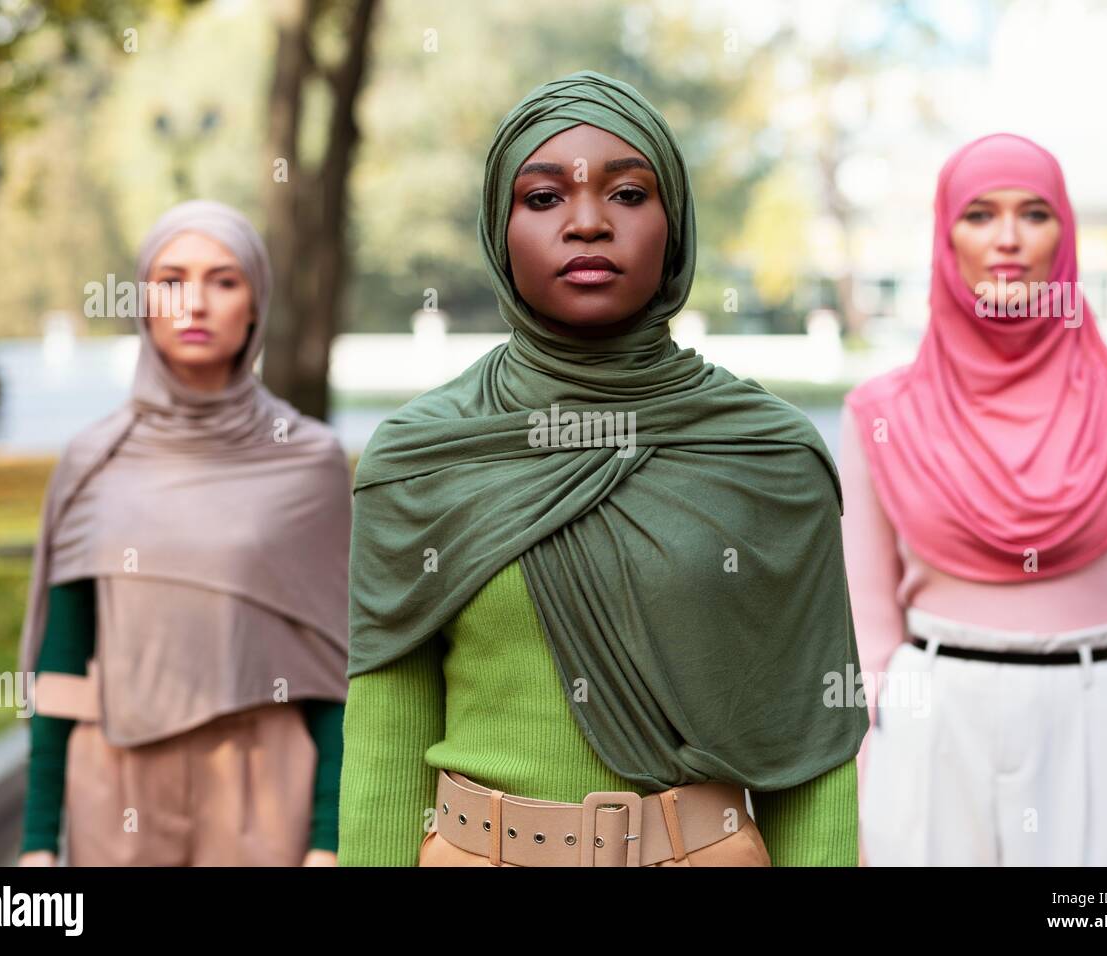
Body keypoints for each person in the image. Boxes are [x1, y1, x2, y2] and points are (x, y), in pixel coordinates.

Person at [339, 71, 866, 868]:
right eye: (544, 198)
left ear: (675, 225)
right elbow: (386, 737)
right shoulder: (421, 457)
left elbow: (812, 757)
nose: (587, 223)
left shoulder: (765, 456)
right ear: (498, 227)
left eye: (627, 193)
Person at [842, 133, 1107, 866]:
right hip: (928, 731)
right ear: (946, 239)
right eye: (979, 215)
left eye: (1034, 214)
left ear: (1065, 236)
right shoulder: (881, 412)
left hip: (1094, 726)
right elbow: (865, 636)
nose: (1007, 239)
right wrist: (860, 800)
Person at [16, 199, 351, 866]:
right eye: (171, 281)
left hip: (264, 780)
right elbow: (64, 658)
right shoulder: (96, 460)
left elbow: (334, 664)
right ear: (142, 300)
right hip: (116, 781)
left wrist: (328, 837)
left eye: (223, 281)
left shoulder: (307, 459)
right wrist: (35, 846)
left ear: (256, 303)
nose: (194, 304)